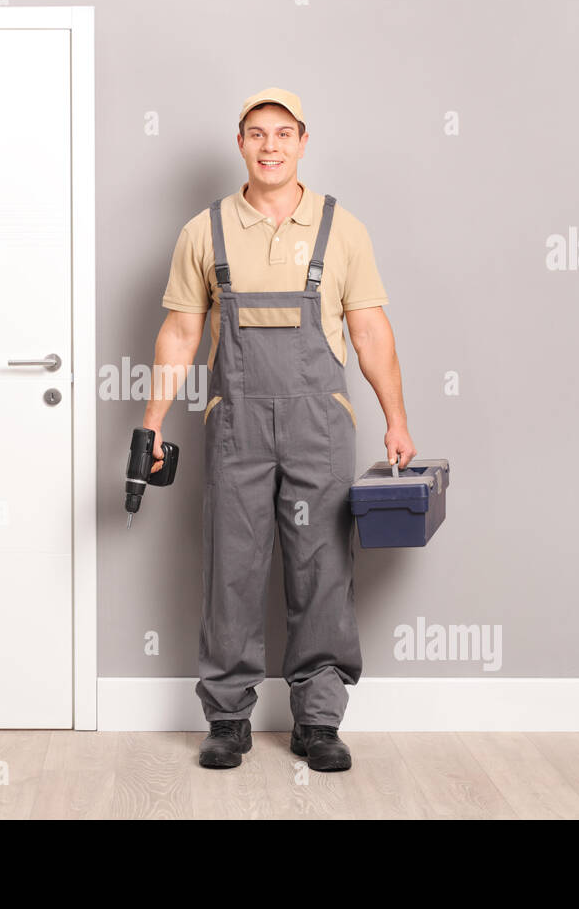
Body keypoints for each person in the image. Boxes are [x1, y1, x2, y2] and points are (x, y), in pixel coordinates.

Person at [142, 87, 417, 771]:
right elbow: (180, 332)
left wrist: (398, 421)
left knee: (323, 566)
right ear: (241, 143)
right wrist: (150, 427)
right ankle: (229, 718)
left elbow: (370, 330)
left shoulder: (340, 227)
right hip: (235, 422)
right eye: (257, 134)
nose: (270, 146)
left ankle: (318, 722)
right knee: (231, 566)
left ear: (302, 141)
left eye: (283, 133)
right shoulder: (204, 231)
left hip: (320, 424)